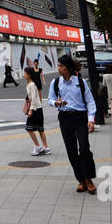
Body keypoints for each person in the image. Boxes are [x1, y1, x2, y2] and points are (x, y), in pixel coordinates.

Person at [49, 55, 98, 193]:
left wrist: (91, 119)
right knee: (71, 150)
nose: (58, 68)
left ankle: (89, 179)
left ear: (68, 67)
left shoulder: (80, 82)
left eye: (60, 66)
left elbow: (90, 101)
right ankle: (81, 180)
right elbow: (50, 99)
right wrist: (56, 103)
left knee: (84, 149)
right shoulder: (56, 82)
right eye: (58, 65)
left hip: (80, 117)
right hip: (65, 118)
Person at [23, 66, 50, 155]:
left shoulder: (32, 85)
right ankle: (46, 148)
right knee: (40, 129)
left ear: (29, 75)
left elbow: (34, 98)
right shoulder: (30, 84)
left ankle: (38, 146)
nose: (24, 75)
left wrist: (30, 110)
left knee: (29, 128)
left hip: (35, 109)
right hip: (37, 108)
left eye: (25, 73)